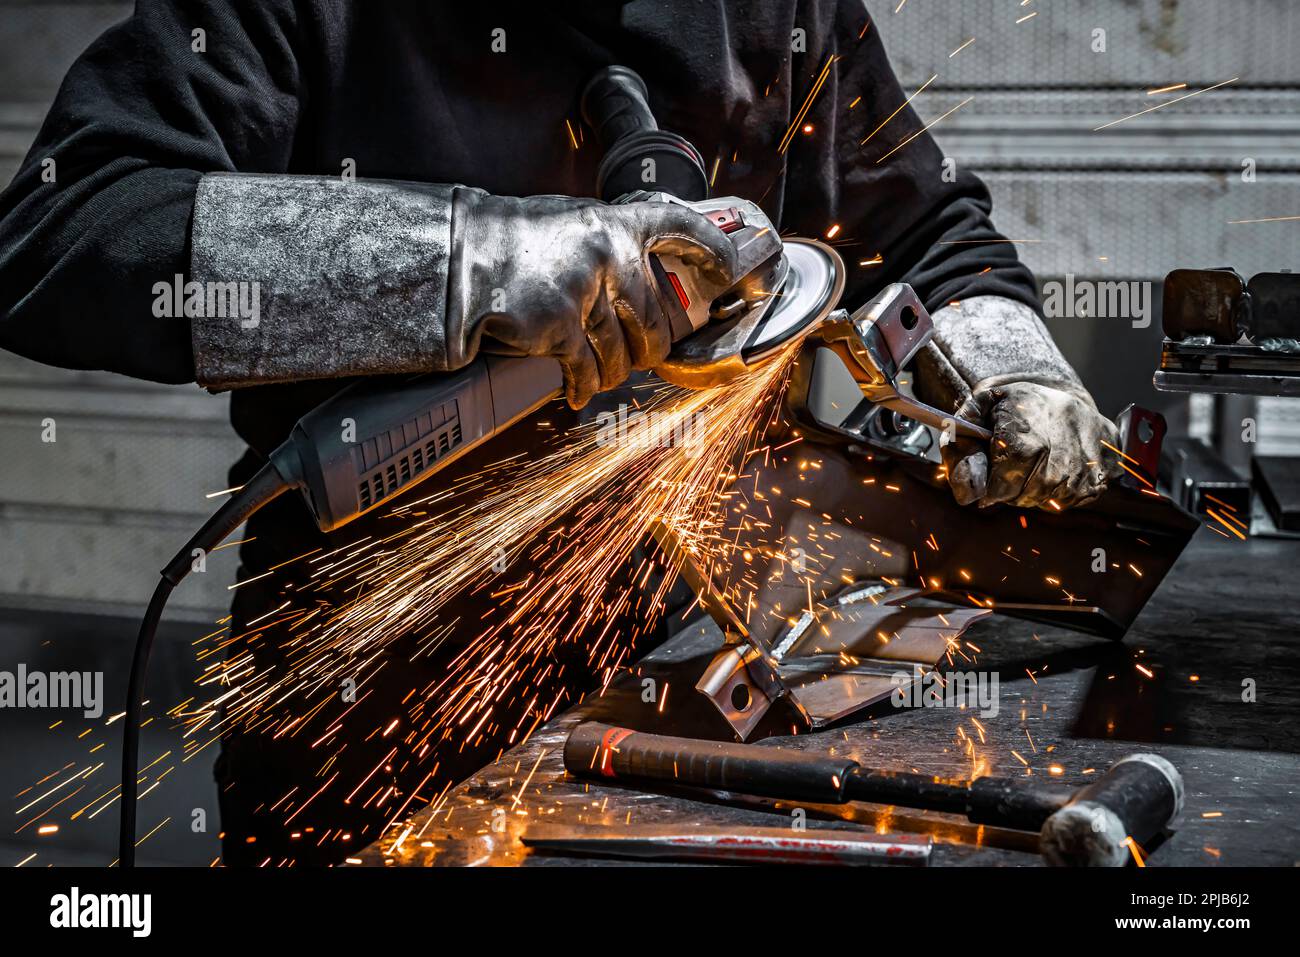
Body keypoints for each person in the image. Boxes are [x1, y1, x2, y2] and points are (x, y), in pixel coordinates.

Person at [0, 1, 1119, 864]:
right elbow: (66, 229)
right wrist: (468, 261)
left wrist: (1008, 359)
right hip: (368, 667)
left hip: (681, 665)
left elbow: (924, 228)